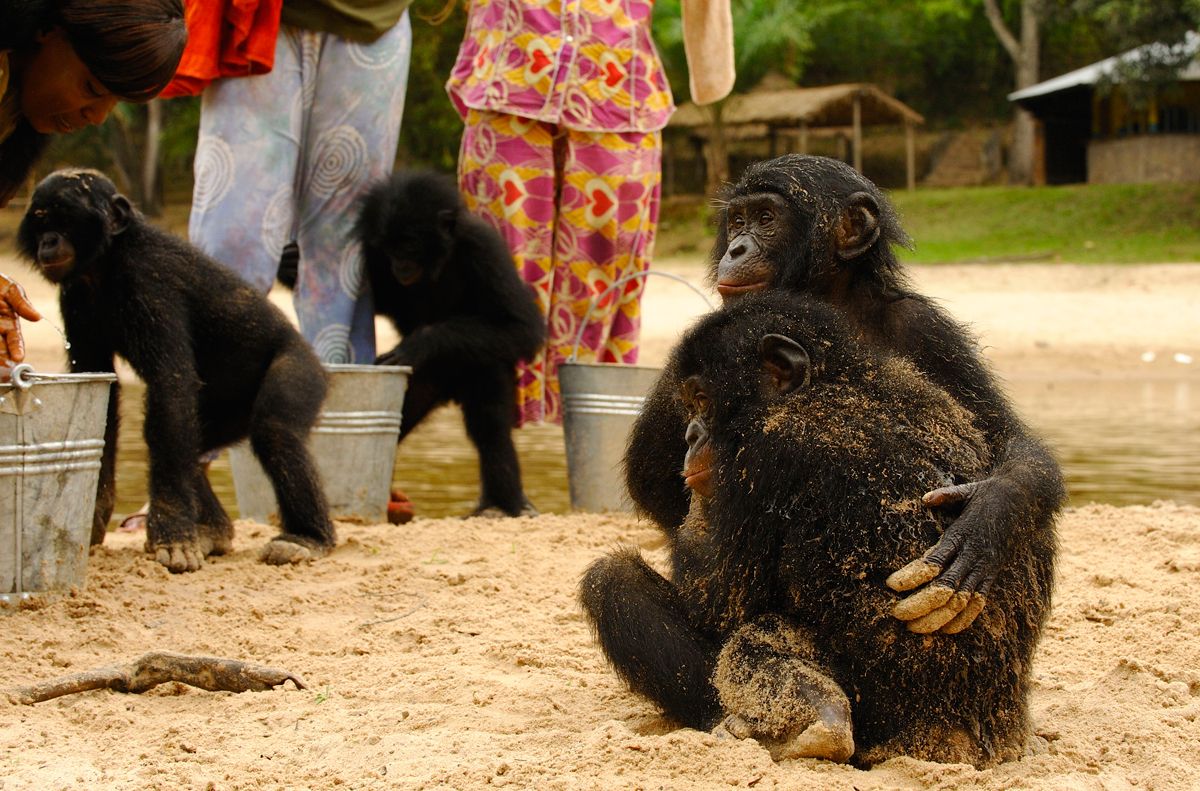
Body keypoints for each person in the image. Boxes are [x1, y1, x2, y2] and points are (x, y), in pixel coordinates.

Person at [446, 0, 734, 425]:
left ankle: (586, 424)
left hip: (617, 88)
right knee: (501, 268)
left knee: (603, 275)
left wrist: (711, 69)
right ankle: (500, 425)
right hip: (507, 76)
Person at [185, 0, 414, 365]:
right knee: (232, 234)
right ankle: (213, 388)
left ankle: (340, 393)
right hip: (259, 17)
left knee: (347, 249)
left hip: (374, 19)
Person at [0, 0, 188, 374]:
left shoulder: (20, 114)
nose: (98, 116)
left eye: (113, 102)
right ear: (47, 31)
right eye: (91, 87)